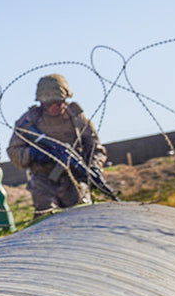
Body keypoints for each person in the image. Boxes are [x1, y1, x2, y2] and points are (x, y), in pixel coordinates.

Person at [7, 74, 107, 215]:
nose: (54, 106)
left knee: (84, 217)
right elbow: (14, 151)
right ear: (41, 102)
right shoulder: (29, 121)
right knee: (47, 219)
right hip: (44, 181)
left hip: (74, 179)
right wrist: (34, 154)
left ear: (65, 99)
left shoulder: (77, 118)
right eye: (48, 103)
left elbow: (95, 148)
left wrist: (94, 168)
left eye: (58, 102)